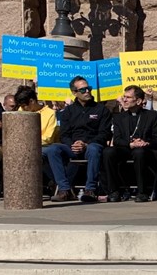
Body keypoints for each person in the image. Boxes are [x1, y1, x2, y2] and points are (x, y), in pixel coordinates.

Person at [45, 75, 111, 203]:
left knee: (93, 149)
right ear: (74, 92)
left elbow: (104, 133)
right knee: (52, 149)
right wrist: (73, 145)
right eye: (83, 90)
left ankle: (90, 189)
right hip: (73, 146)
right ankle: (65, 189)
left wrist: (86, 144)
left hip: (91, 145)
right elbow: (64, 134)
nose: (87, 92)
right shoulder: (68, 112)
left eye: (88, 88)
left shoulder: (101, 110)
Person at [102, 85, 157, 203]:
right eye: (124, 97)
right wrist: (130, 144)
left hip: (145, 150)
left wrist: (146, 143)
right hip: (126, 148)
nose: (124, 100)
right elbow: (117, 139)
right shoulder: (119, 117)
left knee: (139, 152)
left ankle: (142, 192)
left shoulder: (151, 116)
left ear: (139, 101)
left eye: (128, 97)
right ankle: (113, 192)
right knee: (108, 152)